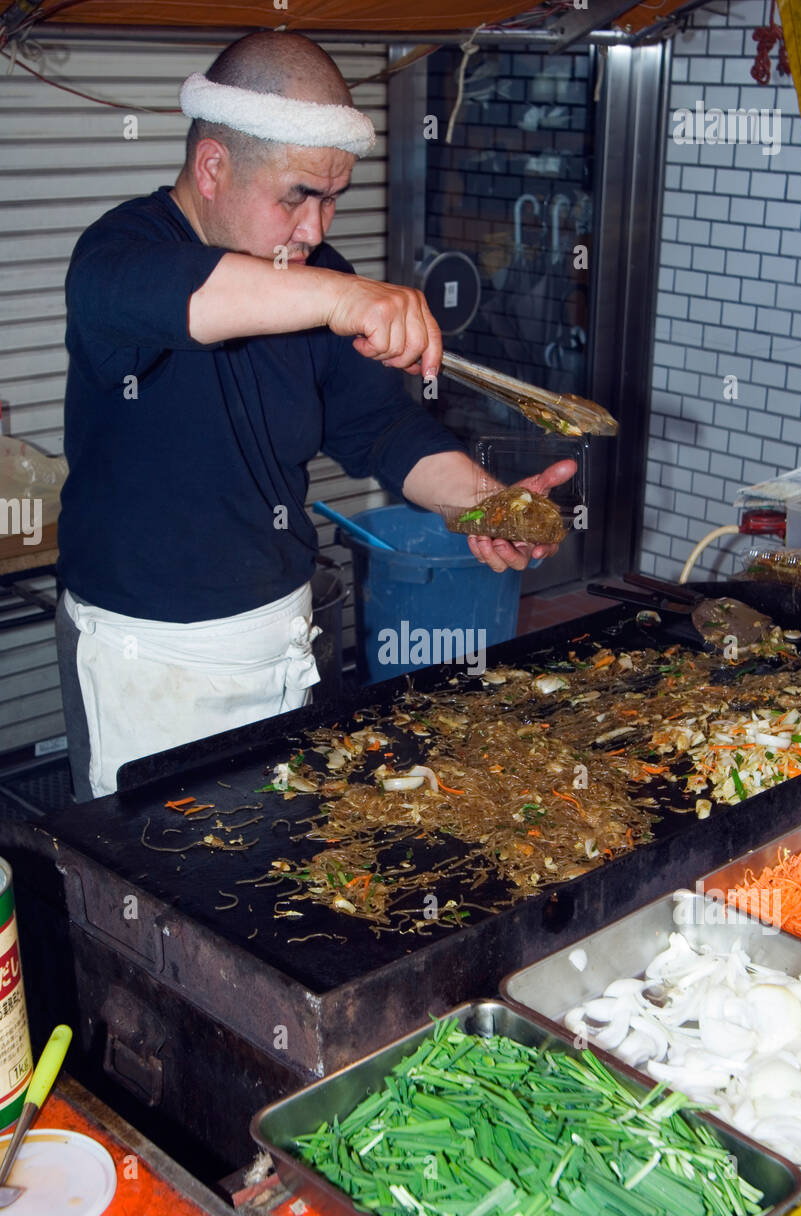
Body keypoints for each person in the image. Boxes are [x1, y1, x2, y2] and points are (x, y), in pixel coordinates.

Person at [57, 30, 576, 801]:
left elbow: (381, 428)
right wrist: (344, 298)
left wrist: (484, 504)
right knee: (158, 891)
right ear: (212, 168)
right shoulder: (118, 256)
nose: (316, 229)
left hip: (282, 636)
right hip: (149, 658)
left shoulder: (313, 277)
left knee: (274, 876)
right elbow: (191, 296)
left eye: (332, 199)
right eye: (296, 195)